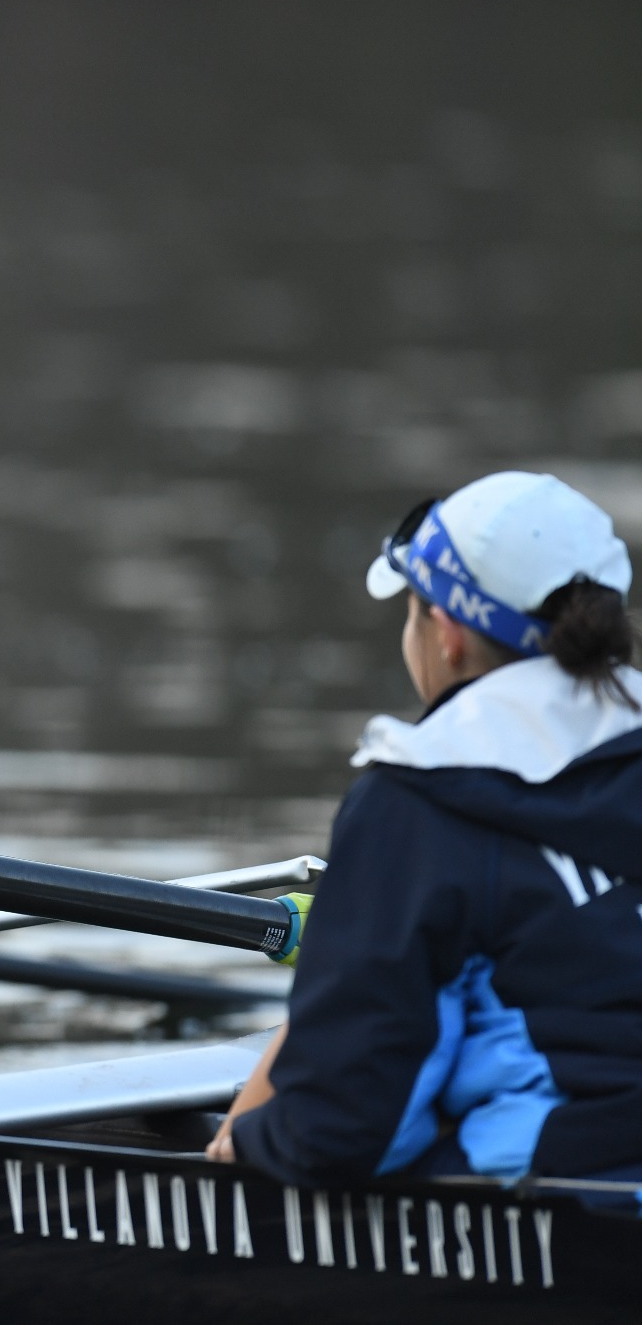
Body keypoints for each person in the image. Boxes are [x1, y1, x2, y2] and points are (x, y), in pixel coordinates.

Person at [209, 471, 642, 1184]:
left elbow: (343, 1131)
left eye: (412, 609)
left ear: (445, 636)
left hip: (571, 1210)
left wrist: (254, 1141)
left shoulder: (414, 805)